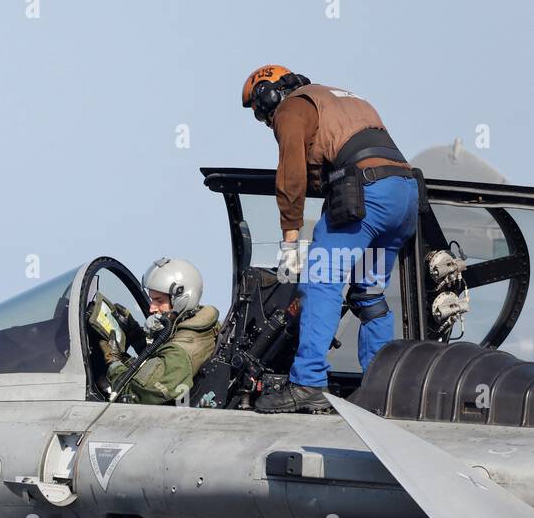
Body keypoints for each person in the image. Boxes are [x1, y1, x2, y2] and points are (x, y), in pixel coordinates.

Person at [241, 65, 419, 413]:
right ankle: (379, 390)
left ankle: (308, 382)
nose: (267, 122)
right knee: (368, 293)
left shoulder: (292, 107)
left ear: (268, 95)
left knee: (320, 281)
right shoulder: (341, 99)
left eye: (262, 114)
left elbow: (291, 173)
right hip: (405, 194)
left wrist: (290, 240)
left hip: (367, 195)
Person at [99, 257, 220, 404]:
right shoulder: (195, 327)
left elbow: (135, 393)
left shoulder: (180, 353)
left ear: (182, 300)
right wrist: (135, 334)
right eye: (152, 300)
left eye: (159, 300)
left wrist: (114, 362)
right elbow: (158, 362)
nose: (152, 308)